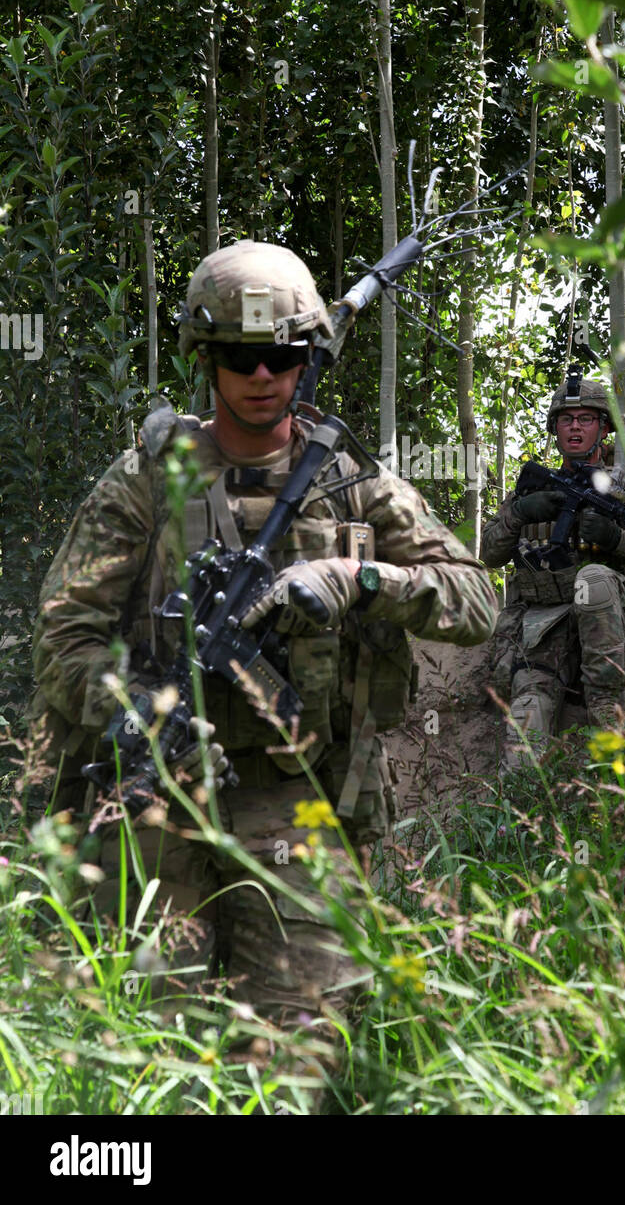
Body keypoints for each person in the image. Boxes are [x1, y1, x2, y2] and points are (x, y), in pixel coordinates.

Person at [30, 239, 497, 1056]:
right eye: (241, 356)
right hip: (157, 801)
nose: (261, 376)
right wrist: (136, 709)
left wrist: (362, 578)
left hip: (301, 801)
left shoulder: (353, 482)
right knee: (151, 1055)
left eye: (281, 355)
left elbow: (477, 601)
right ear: (206, 358)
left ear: (306, 357)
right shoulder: (148, 479)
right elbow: (64, 633)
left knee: (297, 1056)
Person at [480, 375, 625, 762]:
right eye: (567, 419)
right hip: (542, 626)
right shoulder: (533, 486)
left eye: (586, 419)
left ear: (603, 428)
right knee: (525, 731)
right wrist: (520, 512)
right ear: (555, 428)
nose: (575, 427)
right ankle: (515, 819)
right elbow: (489, 554)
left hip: (607, 617)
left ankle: (603, 704)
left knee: (594, 578)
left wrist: (617, 539)